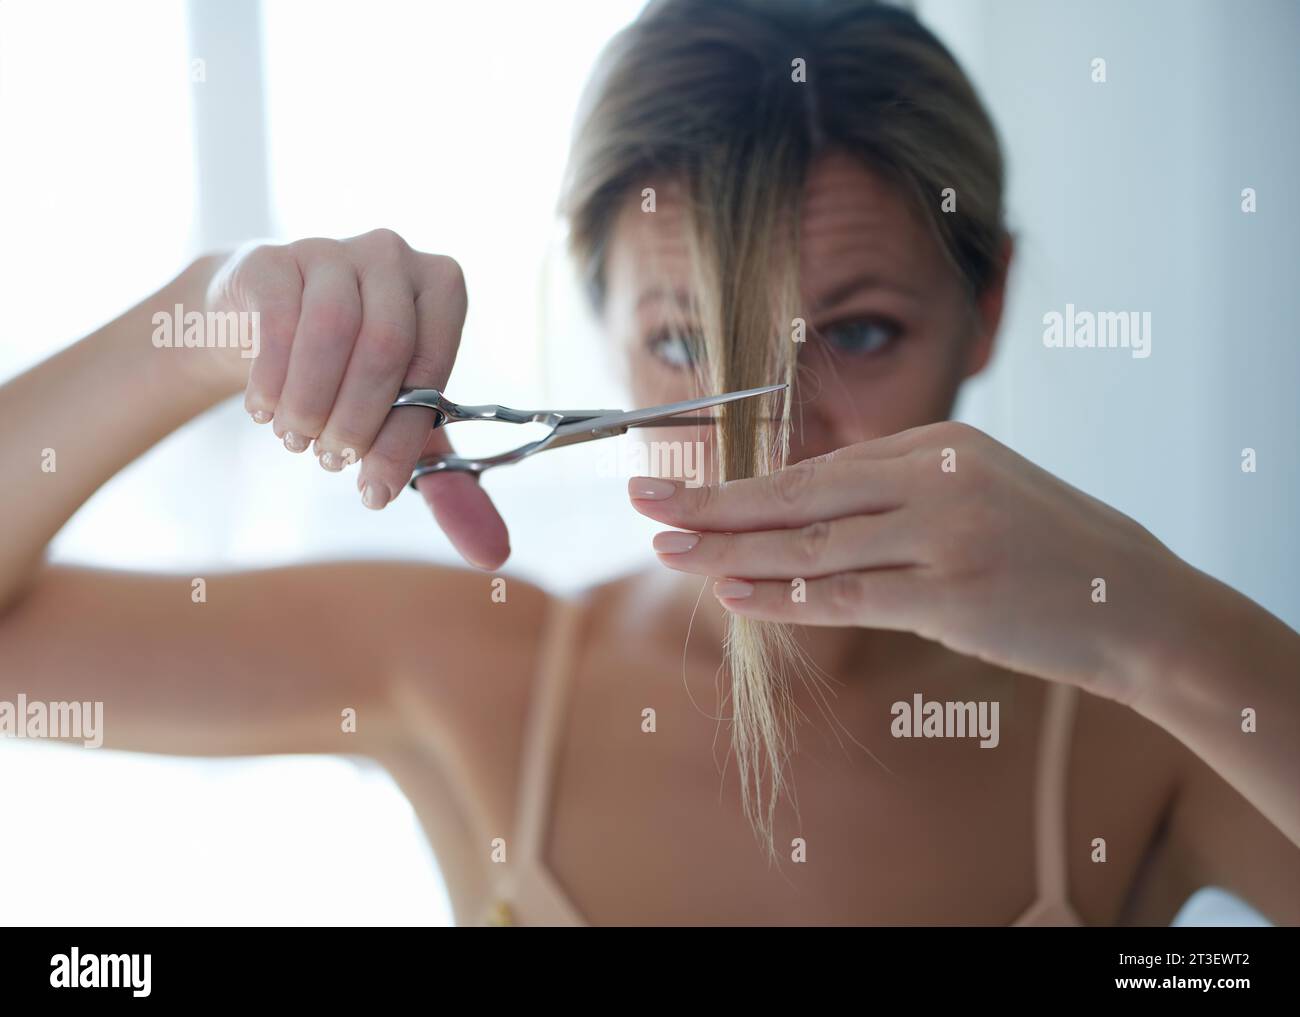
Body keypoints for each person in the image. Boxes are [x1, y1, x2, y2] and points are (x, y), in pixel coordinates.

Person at [1, 0, 1297, 926]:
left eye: (858, 330)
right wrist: (201, 322)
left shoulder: (1157, 734)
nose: (766, 436)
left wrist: (1146, 618)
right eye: (684, 340)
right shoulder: (470, 674)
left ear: (990, 305)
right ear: (601, 319)